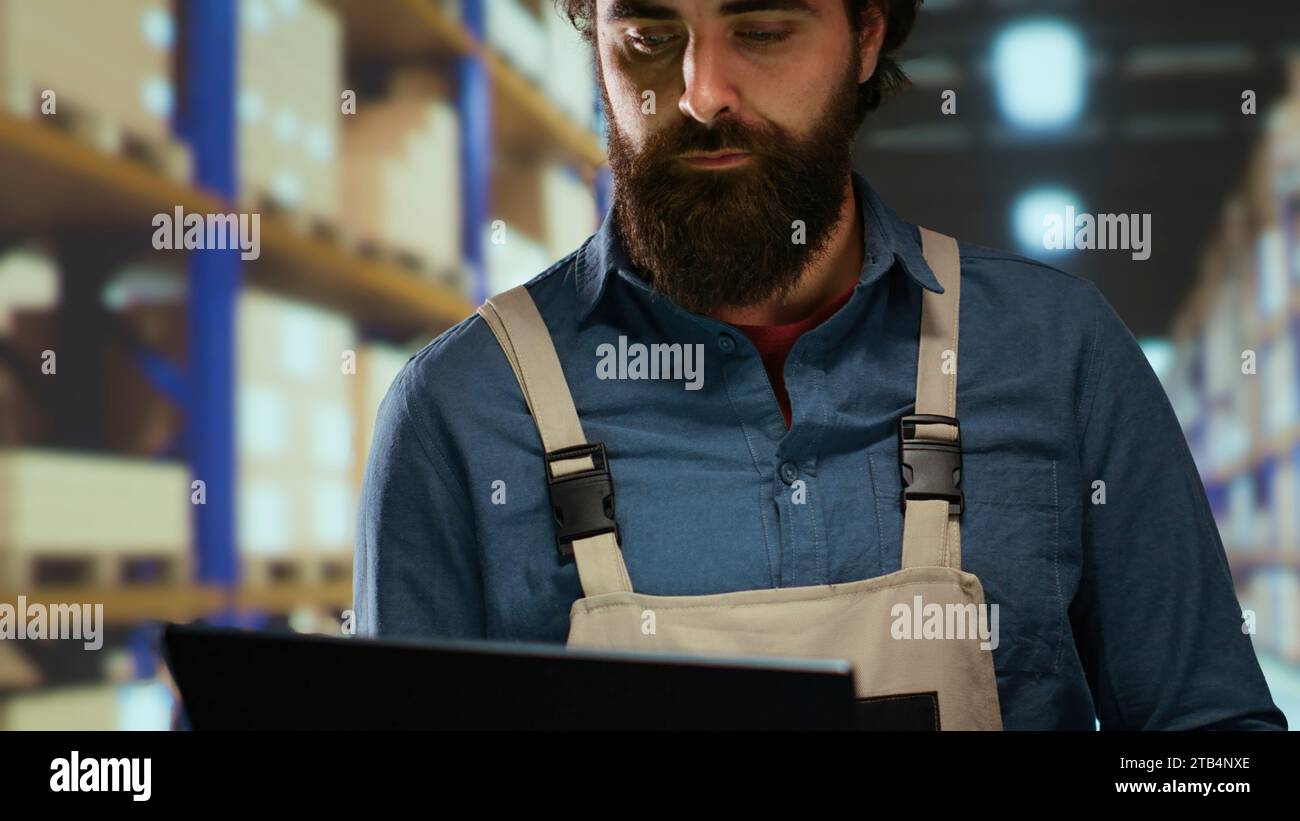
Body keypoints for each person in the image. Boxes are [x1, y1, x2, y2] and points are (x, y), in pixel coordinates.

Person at [354, 0, 1287, 730]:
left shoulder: (1058, 354)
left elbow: (1209, 752)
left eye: (761, 30)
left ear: (867, 34)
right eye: (645, 35)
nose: (701, 90)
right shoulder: (462, 413)